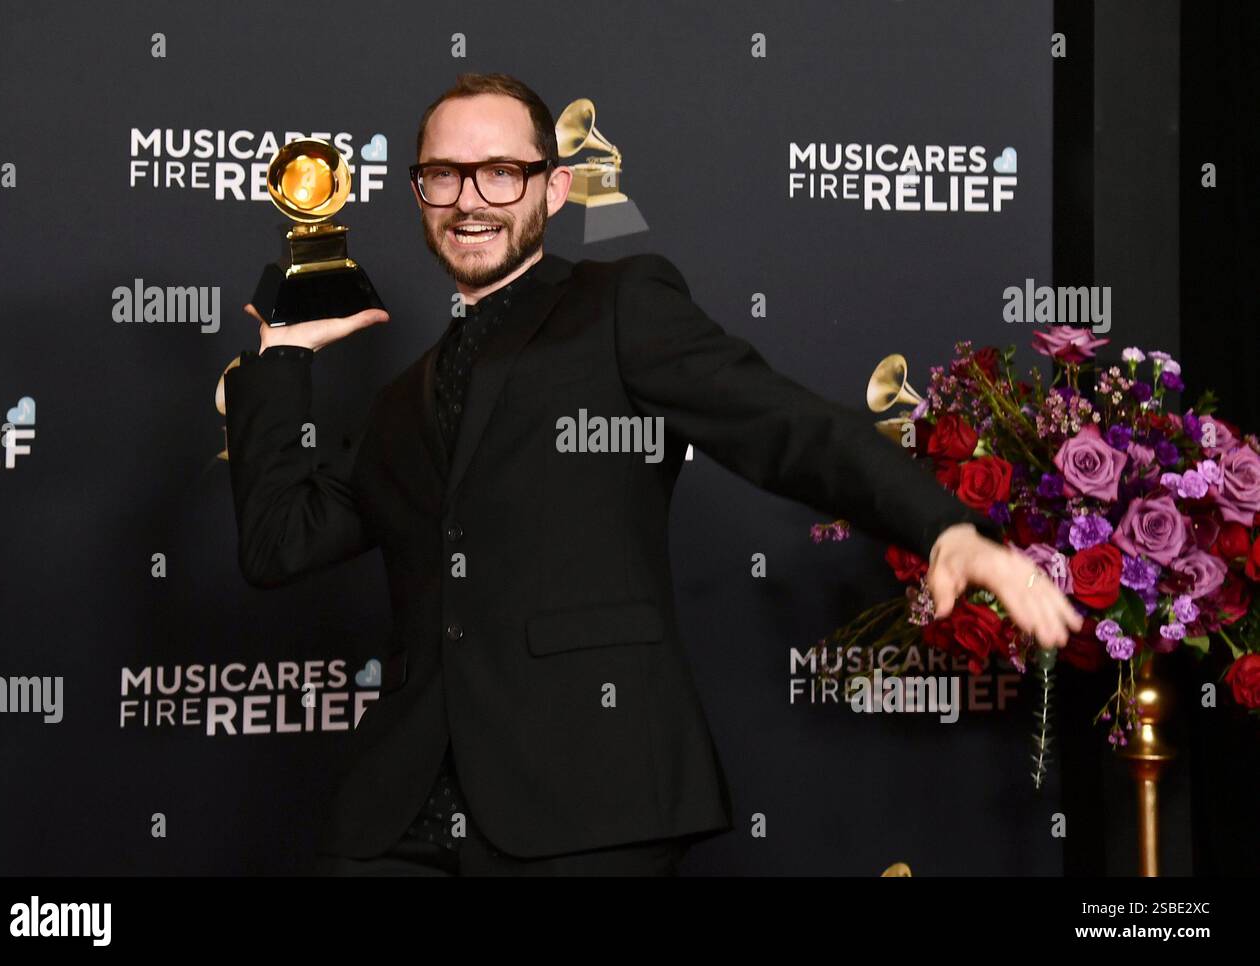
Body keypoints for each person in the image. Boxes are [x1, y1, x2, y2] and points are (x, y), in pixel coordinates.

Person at [224, 72, 1081, 876]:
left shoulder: (617, 307)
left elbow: (780, 425)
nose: (470, 200)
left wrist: (946, 527)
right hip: (398, 816)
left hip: (591, 800)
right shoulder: (398, 401)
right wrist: (282, 364)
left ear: (553, 189)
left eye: (501, 173)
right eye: (444, 175)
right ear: (419, 193)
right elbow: (278, 545)